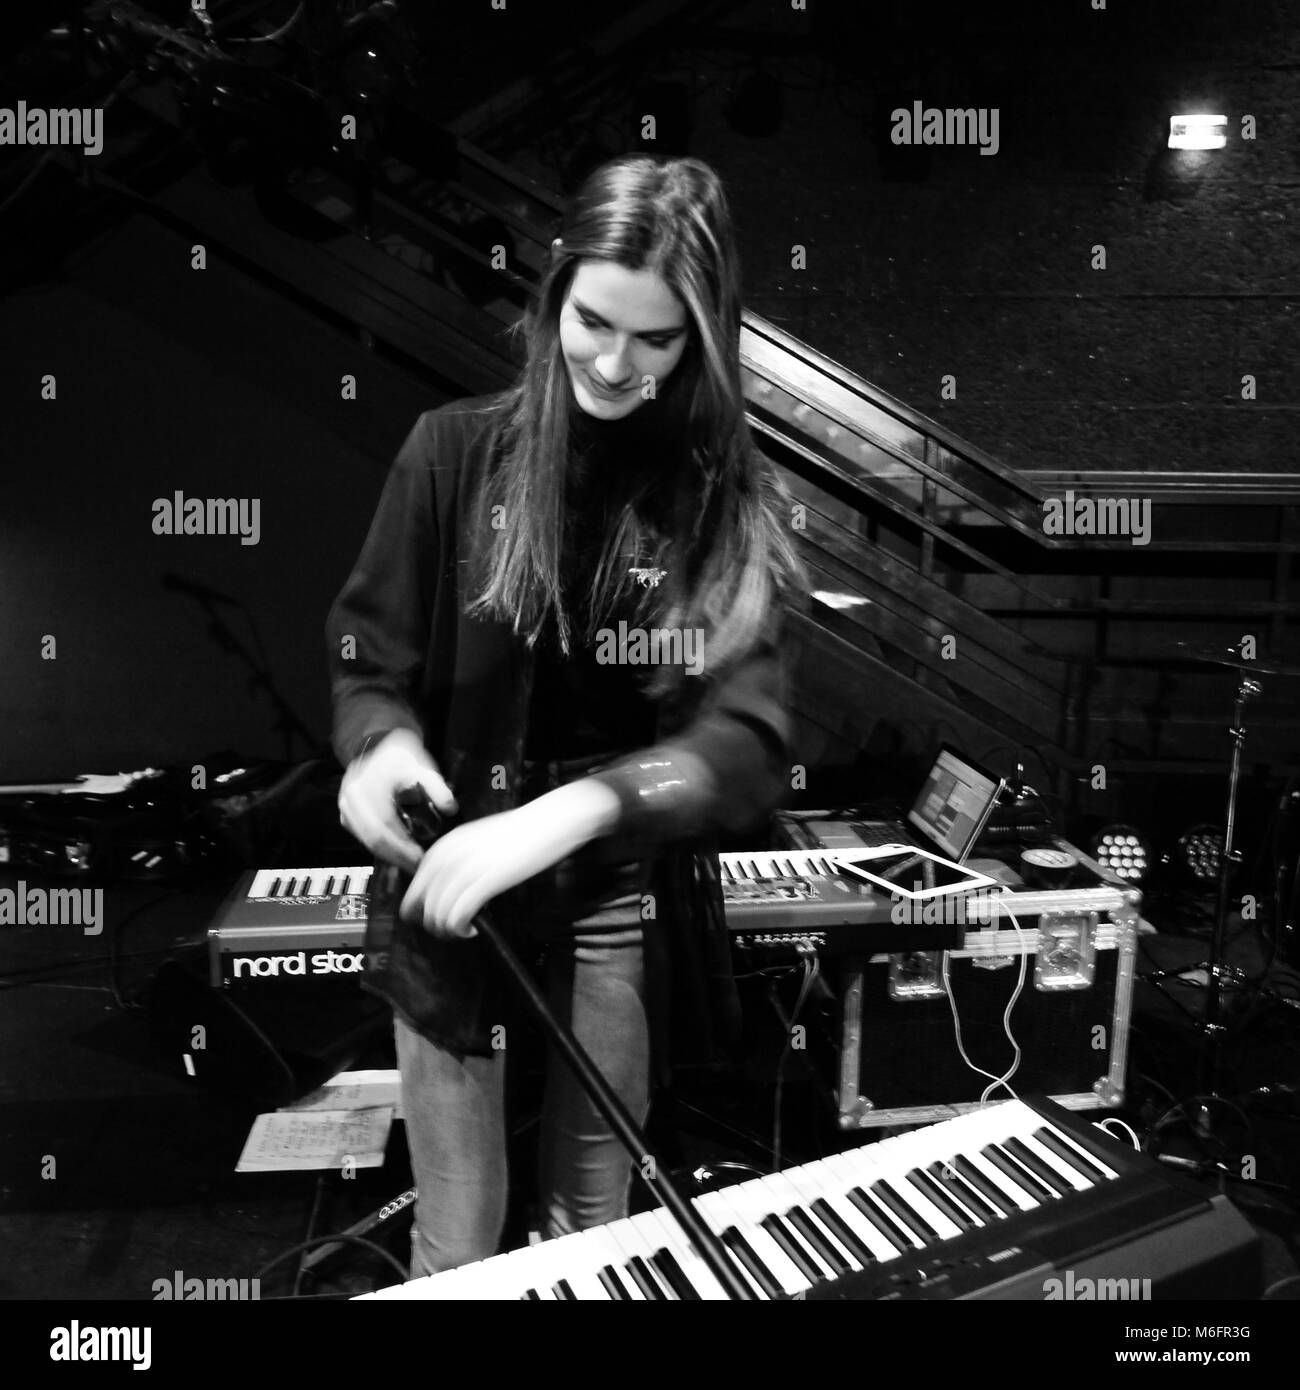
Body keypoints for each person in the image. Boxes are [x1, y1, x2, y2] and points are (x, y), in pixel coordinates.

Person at [327, 155, 804, 1283]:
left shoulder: (719, 494)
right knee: (458, 1234)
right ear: (553, 300)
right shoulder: (451, 450)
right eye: (592, 320)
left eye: (655, 339)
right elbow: (366, 658)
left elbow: (747, 745)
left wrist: (573, 809)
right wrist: (377, 744)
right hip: (454, 891)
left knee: (590, 1229)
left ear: (700, 338)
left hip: (612, 890)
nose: (611, 360)